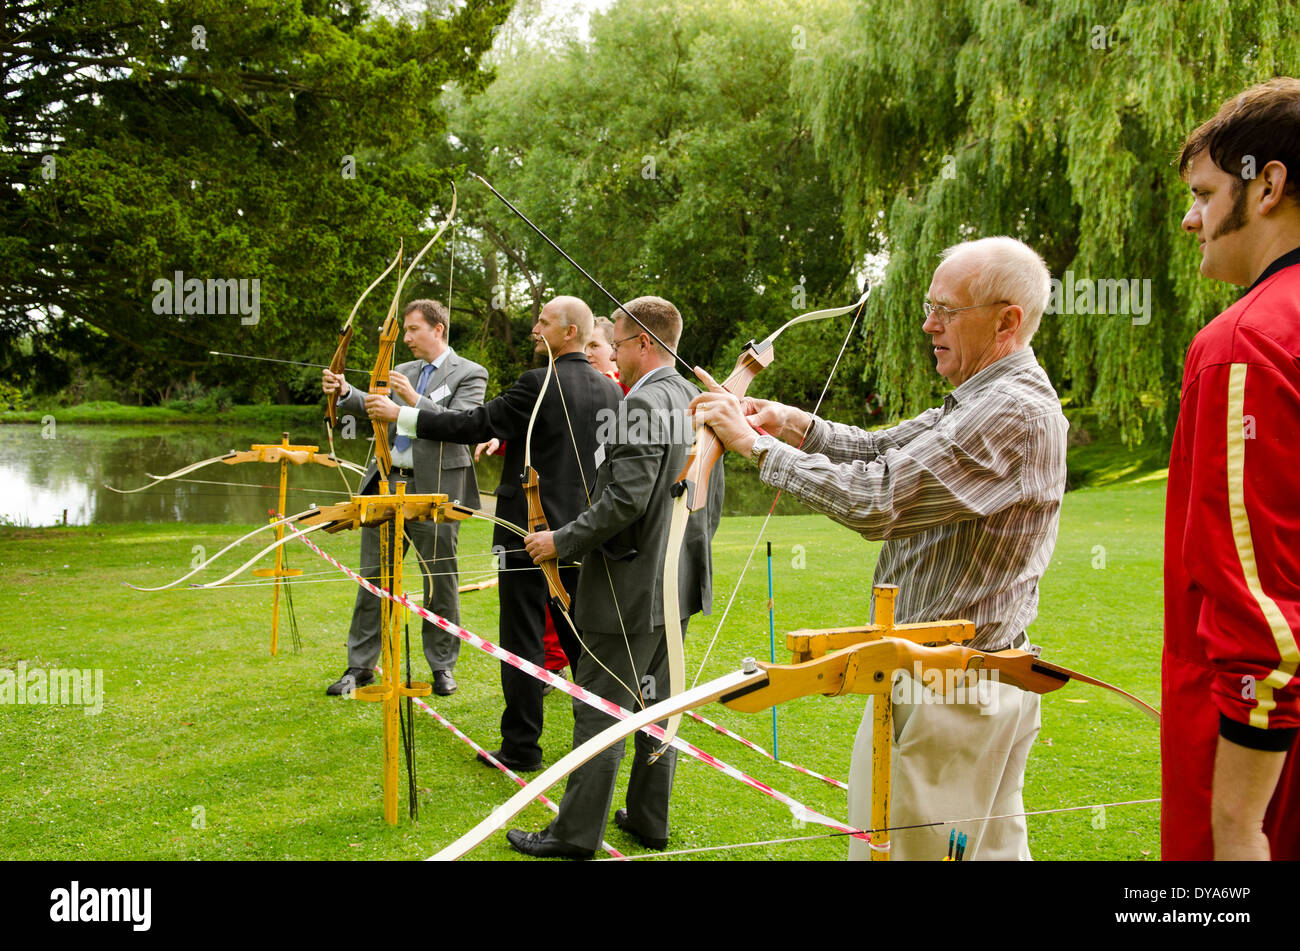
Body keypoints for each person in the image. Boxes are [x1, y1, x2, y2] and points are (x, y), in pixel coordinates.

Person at [692, 237, 1065, 860]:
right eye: (929, 305)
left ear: (1007, 320)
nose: (929, 324)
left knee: (907, 854)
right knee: (990, 853)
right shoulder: (984, 396)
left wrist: (756, 448)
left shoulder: (1011, 409)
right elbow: (878, 451)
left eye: (946, 309)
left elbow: (880, 498)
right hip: (950, 680)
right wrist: (791, 423)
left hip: (949, 688)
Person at [504, 295, 724, 858]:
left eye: (620, 342)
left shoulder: (645, 400)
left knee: (600, 711)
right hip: (675, 584)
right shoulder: (694, 398)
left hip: (631, 591)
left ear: (645, 343)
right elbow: (708, 502)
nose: (616, 354)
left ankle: (574, 836)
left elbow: (624, 498)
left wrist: (560, 540)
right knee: (656, 708)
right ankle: (649, 819)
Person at [367, 296, 623, 771]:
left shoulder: (536, 382)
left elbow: (474, 423)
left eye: (543, 322)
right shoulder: (611, 391)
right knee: (578, 638)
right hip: (582, 532)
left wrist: (400, 415)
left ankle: (522, 747)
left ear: (569, 333)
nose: (533, 329)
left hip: (526, 531)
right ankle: (599, 741)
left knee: (523, 638)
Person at [1164, 78, 1300, 861]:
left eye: (1205, 193)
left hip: (1258, 768)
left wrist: (1237, 823)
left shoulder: (1246, 341)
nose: (1192, 219)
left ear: (1269, 184)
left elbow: (1264, 611)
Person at [321, 299, 487, 698]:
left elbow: (463, 424)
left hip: (436, 491)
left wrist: (411, 399)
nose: (406, 338)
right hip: (386, 483)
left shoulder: (470, 372)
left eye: (413, 330)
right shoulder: (404, 370)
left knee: (439, 582)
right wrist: (346, 392)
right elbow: (377, 406)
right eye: (405, 330)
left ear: (438, 329)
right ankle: (360, 666)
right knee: (373, 578)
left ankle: (442, 667)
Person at [586, 315, 627, 391]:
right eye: (584, 348)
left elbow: (623, 403)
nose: (586, 354)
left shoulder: (630, 385)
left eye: (594, 346)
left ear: (614, 346)